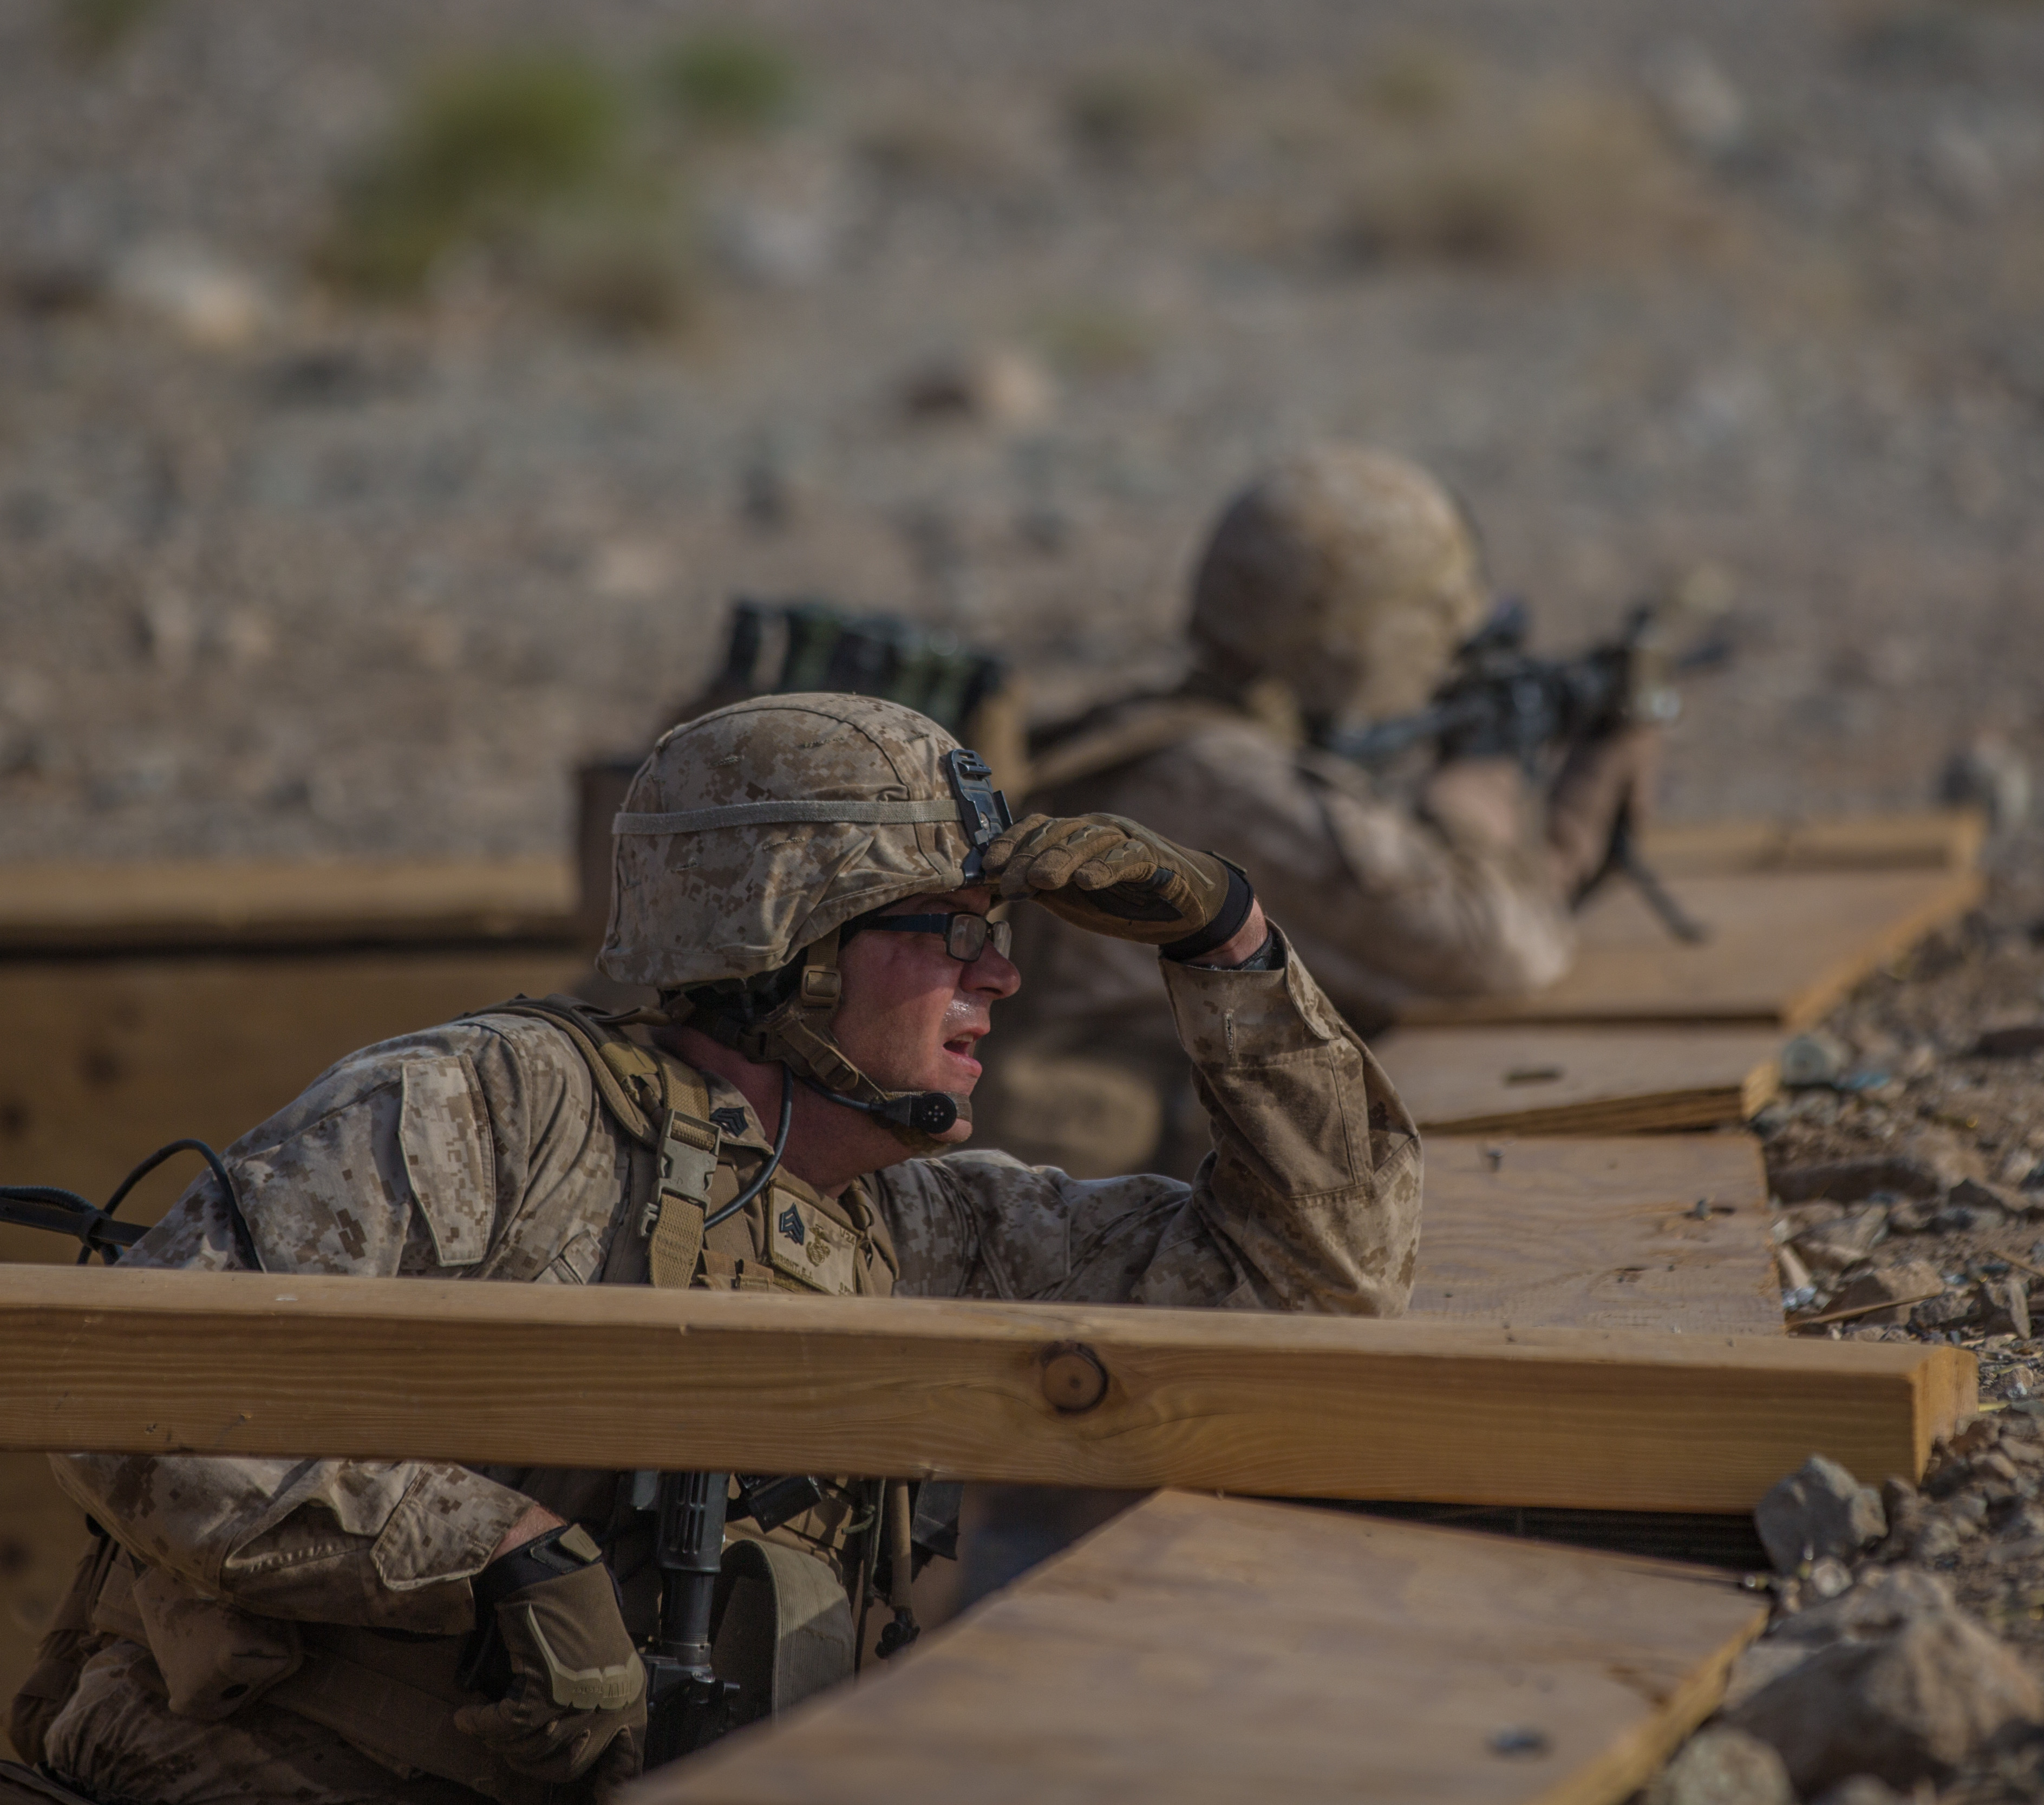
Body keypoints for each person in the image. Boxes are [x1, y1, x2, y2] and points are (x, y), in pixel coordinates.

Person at [16, 693, 1419, 1804]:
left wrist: (1229, 944)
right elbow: (133, 1392)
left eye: (1001, 936)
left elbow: (1317, 1282)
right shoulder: (490, 1110)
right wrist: (491, 1553)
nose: (999, 974)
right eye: (951, 931)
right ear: (782, 937)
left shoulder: (919, 1219)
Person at [979, 444, 1660, 1176]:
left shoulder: (1177, 733)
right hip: (1088, 1210)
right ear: (1375, 642)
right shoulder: (1232, 783)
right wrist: (1475, 800)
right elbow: (1500, 953)